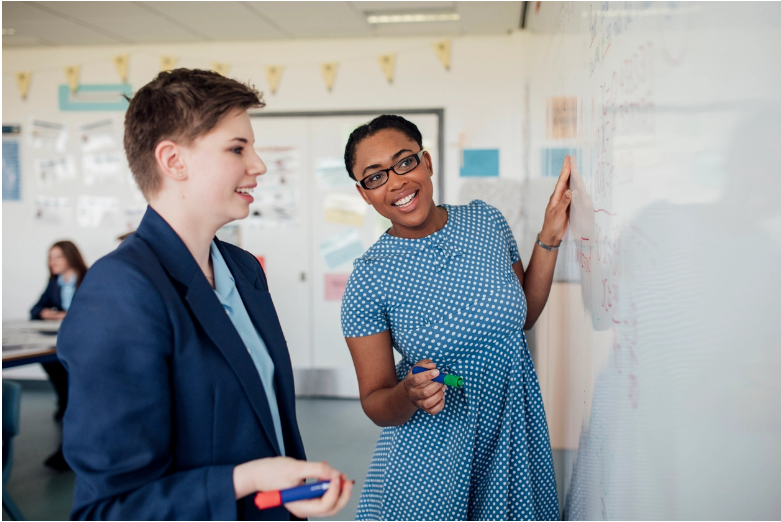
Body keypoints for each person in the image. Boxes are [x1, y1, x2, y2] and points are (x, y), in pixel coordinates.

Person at [57, 69, 352, 520]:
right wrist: (246, 480)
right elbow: (109, 509)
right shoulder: (120, 290)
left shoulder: (243, 269)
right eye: (237, 148)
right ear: (173, 160)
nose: (259, 165)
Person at [340, 115, 571, 520]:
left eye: (404, 162)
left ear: (427, 162)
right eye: (375, 177)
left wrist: (549, 236)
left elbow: (523, 315)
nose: (396, 182)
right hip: (435, 455)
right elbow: (375, 400)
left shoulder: (486, 222)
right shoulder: (370, 276)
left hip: (511, 430)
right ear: (364, 194)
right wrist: (408, 394)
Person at [30, 240, 88, 470]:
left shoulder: (89, 277)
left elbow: (91, 311)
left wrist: (63, 314)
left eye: (58, 257)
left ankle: (70, 441)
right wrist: (54, 314)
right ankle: (65, 402)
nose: (52, 262)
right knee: (51, 363)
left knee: (73, 376)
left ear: (71, 257)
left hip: (83, 343)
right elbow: (36, 310)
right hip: (60, 342)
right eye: (50, 257)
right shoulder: (54, 283)